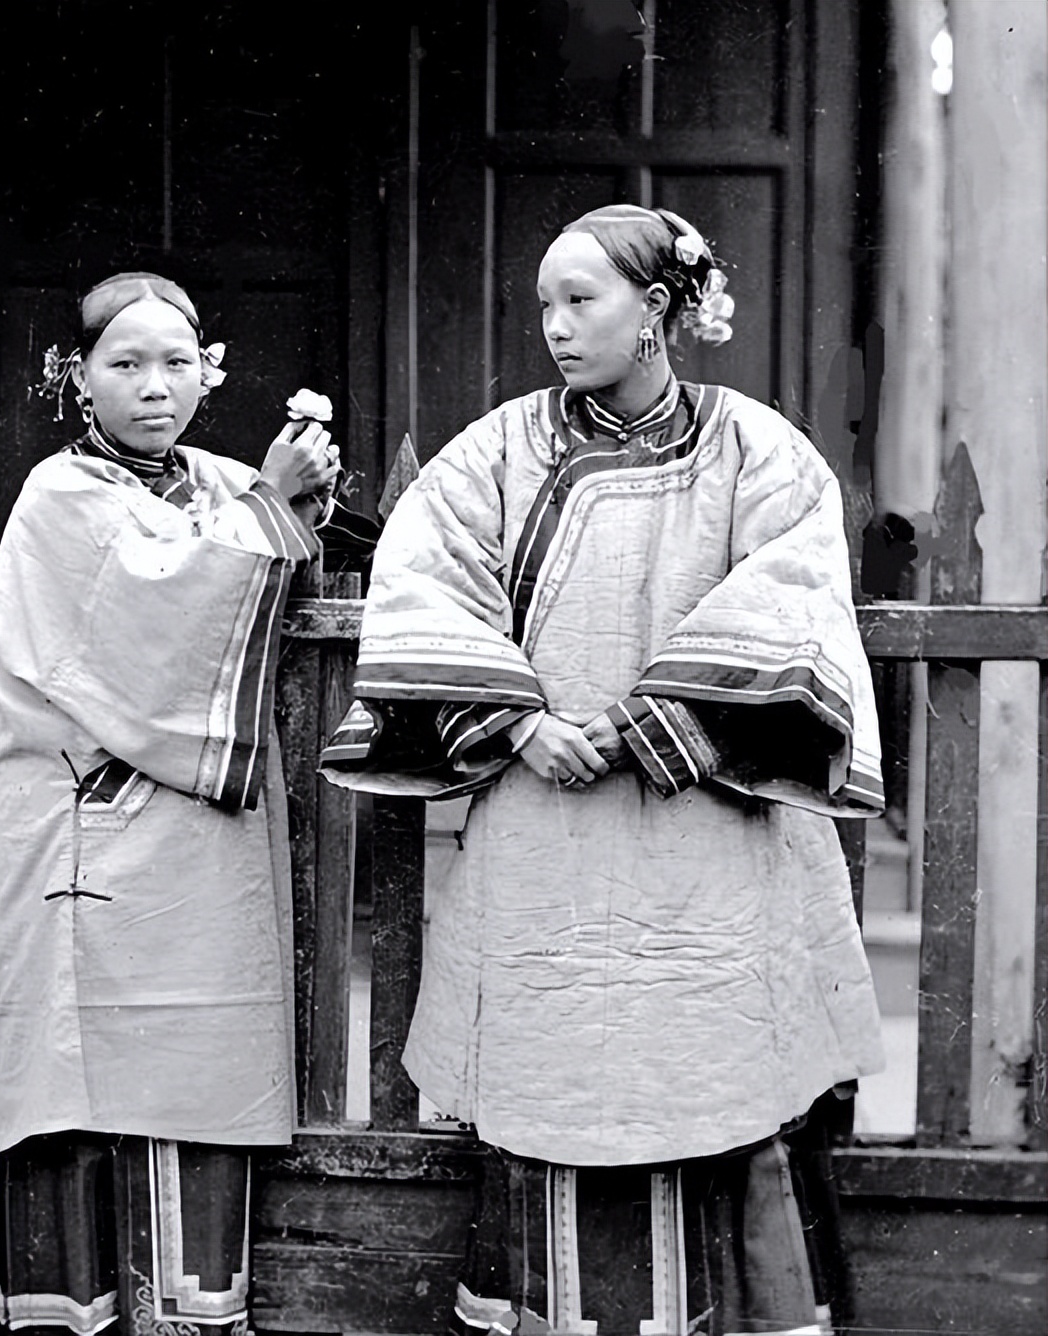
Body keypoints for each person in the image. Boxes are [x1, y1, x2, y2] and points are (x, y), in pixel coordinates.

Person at [322, 206, 885, 1335]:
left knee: (717, 1076)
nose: (556, 327)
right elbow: (423, 579)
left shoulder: (756, 451)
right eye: (544, 304)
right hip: (550, 826)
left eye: (580, 300)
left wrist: (648, 722)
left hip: (710, 829)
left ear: (660, 312)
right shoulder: (498, 450)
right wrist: (521, 721)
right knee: (560, 1083)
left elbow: (792, 597)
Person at [0, 272, 339, 1336]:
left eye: (176, 363)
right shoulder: (59, 495)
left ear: (207, 374)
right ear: (75, 378)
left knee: (192, 1081)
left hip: (196, 855)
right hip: (95, 843)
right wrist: (270, 511)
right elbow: (148, 619)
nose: (153, 387)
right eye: (124, 364)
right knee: (82, 1088)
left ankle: (189, 1313)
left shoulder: (223, 481)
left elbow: (270, 555)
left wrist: (301, 501)